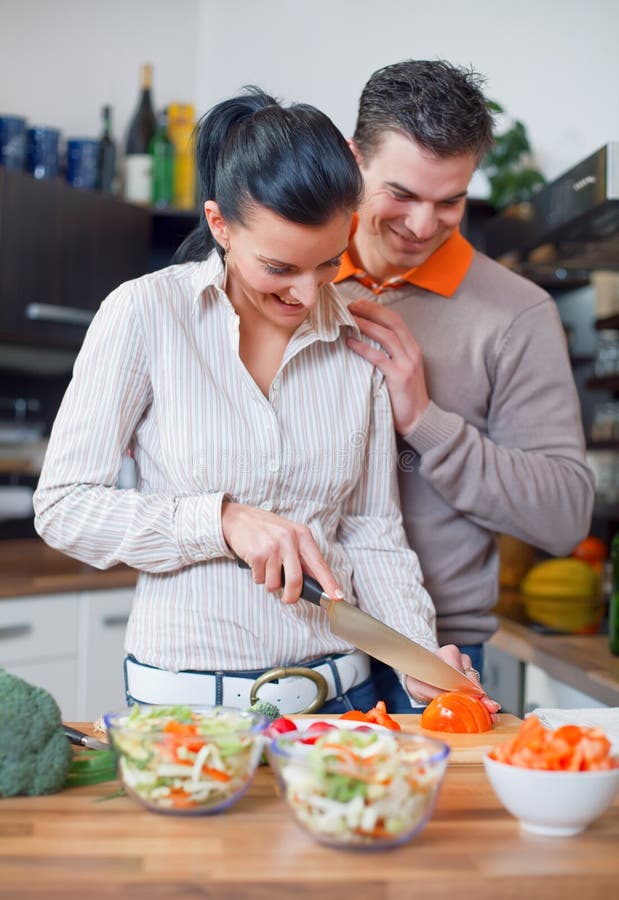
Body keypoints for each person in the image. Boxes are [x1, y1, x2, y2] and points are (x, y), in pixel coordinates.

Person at [33, 87, 495, 716]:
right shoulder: (145, 314)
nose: (308, 294)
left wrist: (417, 656)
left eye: (328, 263)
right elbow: (64, 508)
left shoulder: (358, 335)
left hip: (342, 702)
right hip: (186, 710)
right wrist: (220, 521)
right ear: (220, 225)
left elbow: (372, 531)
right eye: (279, 267)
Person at [334, 60, 594, 711]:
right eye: (401, 193)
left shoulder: (517, 314)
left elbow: (564, 517)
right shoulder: (288, 277)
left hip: (436, 659)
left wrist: (423, 420)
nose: (422, 225)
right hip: (289, 644)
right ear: (351, 159)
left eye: (448, 200)